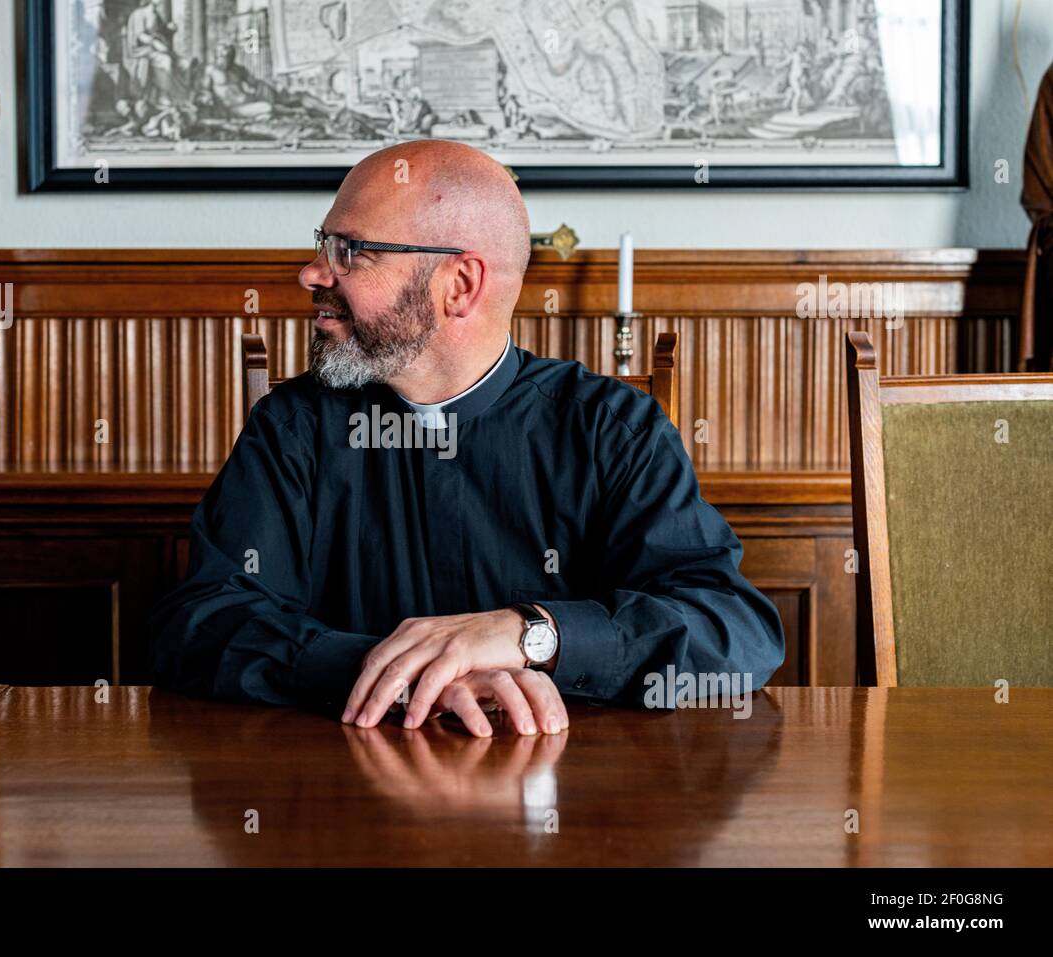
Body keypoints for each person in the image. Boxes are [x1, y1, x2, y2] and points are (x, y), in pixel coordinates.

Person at [151, 139, 785, 736]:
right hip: (343, 804)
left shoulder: (612, 430)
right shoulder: (292, 429)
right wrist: (410, 674)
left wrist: (532, 635)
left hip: (575, 811)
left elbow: (736, 631)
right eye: (324, 245)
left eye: (350, 251)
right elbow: (204, 623)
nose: (313, 273)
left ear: (458, 286)